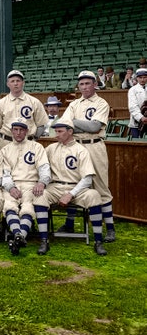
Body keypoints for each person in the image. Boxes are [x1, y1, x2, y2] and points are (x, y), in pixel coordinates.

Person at [58, 70, 115, 243]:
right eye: (81, 84)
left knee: (101, 186)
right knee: (74, 182)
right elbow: (64, 125)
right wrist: (77, 126)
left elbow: (94, 127)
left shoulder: (101, 103)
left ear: (94, 84)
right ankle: (69, 224)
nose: (84, 87)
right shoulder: (74, 104)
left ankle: (110, 229)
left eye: (88, 83)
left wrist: (74, 123)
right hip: (76, 147)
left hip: (94, 145)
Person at [42, 118, 108, 256]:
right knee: (39, 196)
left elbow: (88, 178)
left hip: (77, 188)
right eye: (56, 131)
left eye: (60, 131)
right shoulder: (51, 148)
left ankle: (98, 241)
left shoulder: (81, 150)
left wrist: (71, 194)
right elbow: (40, 167)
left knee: (94, 195)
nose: (56, 134)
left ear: (70, 131)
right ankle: (44, 240)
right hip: (55, 187)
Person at [1, 119, 51, 256]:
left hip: (31, 184)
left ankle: (17, 237)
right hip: (13, 184)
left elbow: (44, 168)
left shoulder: (36, 147)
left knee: (28, 207)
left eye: (21, 130)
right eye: (15, 129)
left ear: (27, 131)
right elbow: (4, 173)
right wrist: (10, 187)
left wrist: (42, 183)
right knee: (10, 205)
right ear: (11, 131)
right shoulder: (5, 149)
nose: (18, 133)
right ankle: (19, 235)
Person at [0, 70, 48, 149]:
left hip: (28, 144)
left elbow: (41, 125)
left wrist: (33, 138)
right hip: (6, 144)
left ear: (23, 83)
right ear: (8, 84)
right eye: (12, 81)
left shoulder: (34, 102)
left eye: (18, 81)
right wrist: (6, 138)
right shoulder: (0, 104)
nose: (15, 83)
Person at [127, 68, 147, 138]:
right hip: (136, 123)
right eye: (140, 77)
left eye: (144, 77)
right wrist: (141, 117)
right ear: (137, 78)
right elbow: (132, 106)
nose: (142, 79)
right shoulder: (132, 90)